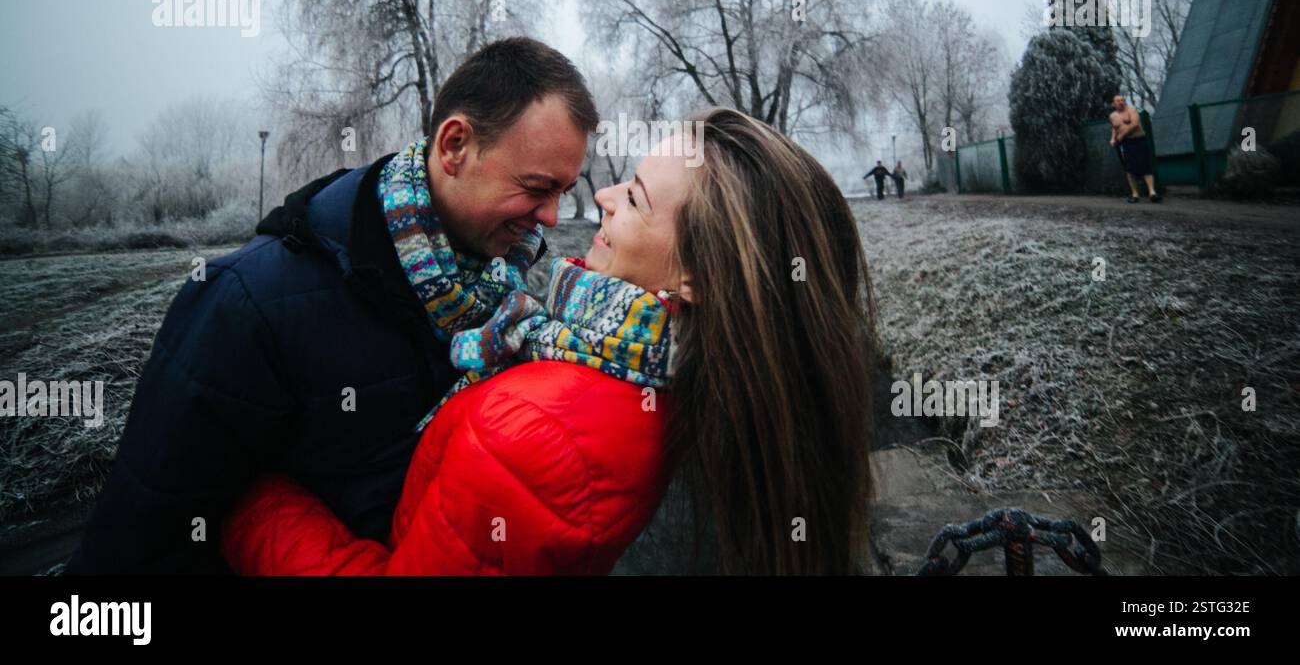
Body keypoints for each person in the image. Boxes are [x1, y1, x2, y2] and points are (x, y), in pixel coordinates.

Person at [220, 108, 879, 575]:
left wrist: (255, 510)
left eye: (638, 199)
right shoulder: (673, 380)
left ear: (696, 277)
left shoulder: (539, 430)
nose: (606, 196)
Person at [63, 38, 598, 574]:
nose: (552, 218)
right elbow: (143, 538)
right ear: (454, 145)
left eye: (564, 191)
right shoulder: (247, 301)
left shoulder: (507, 292)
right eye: (537, 188)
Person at [1108, 94, 1161, 204]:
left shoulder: (1131, 110)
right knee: (1129, 169)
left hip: (1139, 140)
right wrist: (1113, 138)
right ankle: (1135, 194)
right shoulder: (1112, 116)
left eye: (1122, 100)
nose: (1121, 102)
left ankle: (1152, 192)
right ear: (1113, 104)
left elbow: (1135, 124)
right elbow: (1114, 127)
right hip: (1126, 144)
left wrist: (1122, 135)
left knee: (1145, 165)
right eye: (1118, 101)